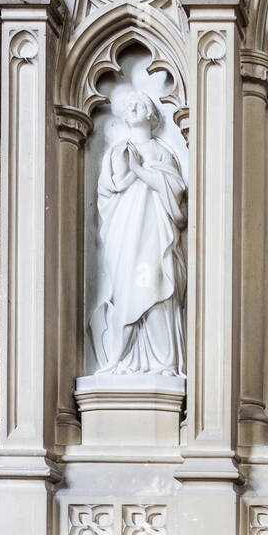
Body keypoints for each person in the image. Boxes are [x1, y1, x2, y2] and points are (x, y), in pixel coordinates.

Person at [90, 89, 187, 376]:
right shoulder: (118, 150)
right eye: (128, 104)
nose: (132, 106)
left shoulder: (162, 152)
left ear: (151, 115)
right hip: (125, 236)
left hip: (154, 236)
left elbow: (174, 191)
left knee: (156, 287)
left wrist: (139, 168)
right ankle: (118, 360)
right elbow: (112, 186)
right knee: (127, 292)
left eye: (139, 104)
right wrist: (134, 169)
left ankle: (163, 363)